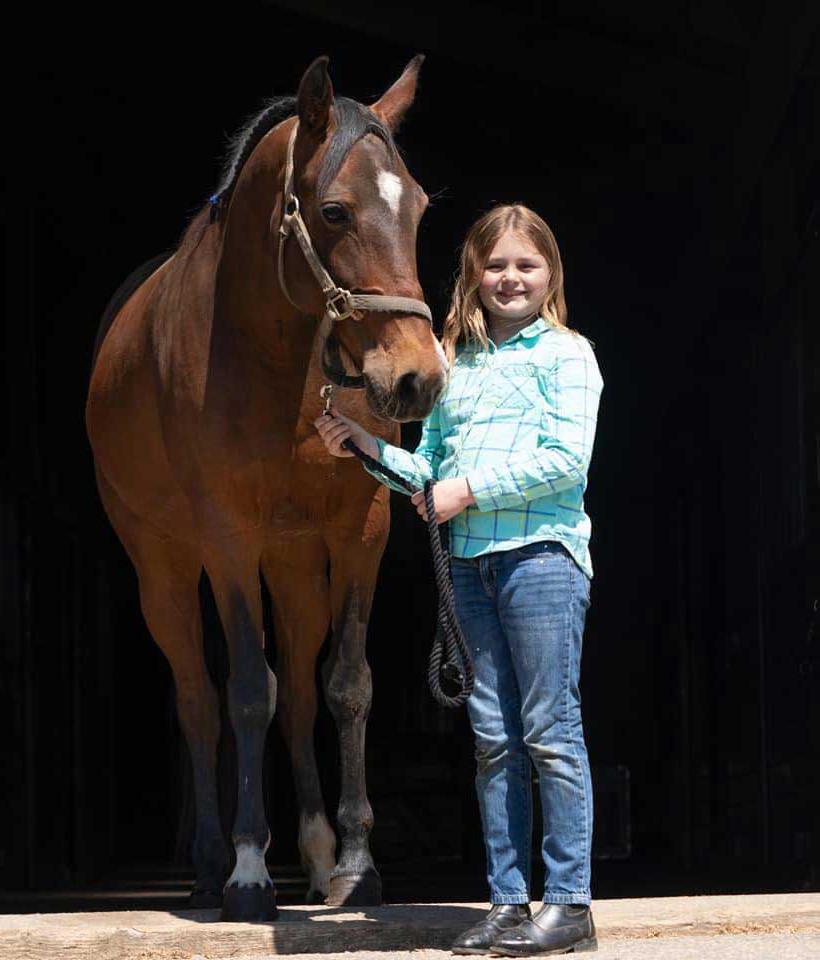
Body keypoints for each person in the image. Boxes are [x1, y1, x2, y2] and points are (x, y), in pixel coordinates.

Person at [315, 203, 603, 957]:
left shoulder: (569, 357)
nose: (510, 278)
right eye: (496, 264)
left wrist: (467, 492)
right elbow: (429, 468)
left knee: (549, 731)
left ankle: (569, 904)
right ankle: (510, 902)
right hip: (472, 567)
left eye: (525, 265)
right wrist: (362, 445)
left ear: (549, 275)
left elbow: (566, 462)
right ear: (472, 274)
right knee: (493, 742)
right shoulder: (453, 362)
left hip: (541, 559)